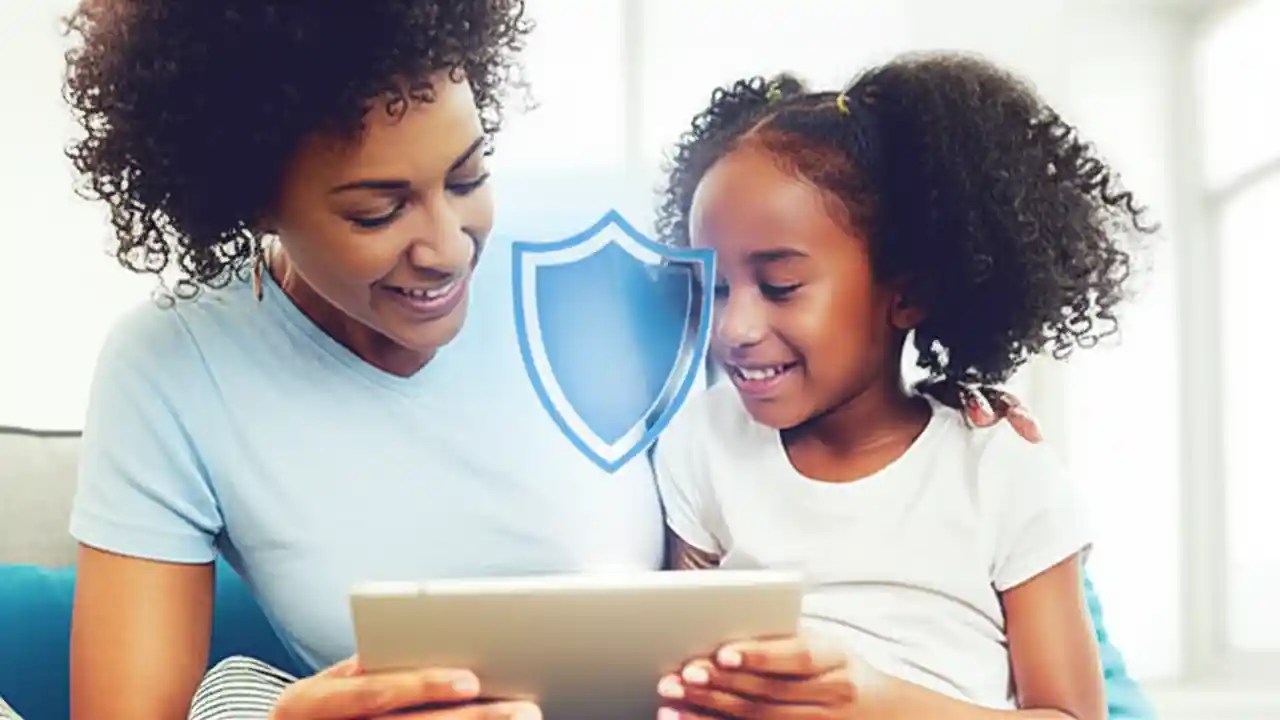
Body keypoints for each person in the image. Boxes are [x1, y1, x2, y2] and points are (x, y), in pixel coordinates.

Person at [54, 2, 1122, 719]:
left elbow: (829, 360)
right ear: (245, 198)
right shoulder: (173, 370)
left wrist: (941, 377)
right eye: (377, 209)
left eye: (467, 175)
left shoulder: (632, 262)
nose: (446, 244)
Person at [647, 57, 1155, 719]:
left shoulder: (1000, 472)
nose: (734, 326)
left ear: (906, 292)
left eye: (780, 287)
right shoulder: (704, 442)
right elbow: (679, 676)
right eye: (714, 287)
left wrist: (872, 702)